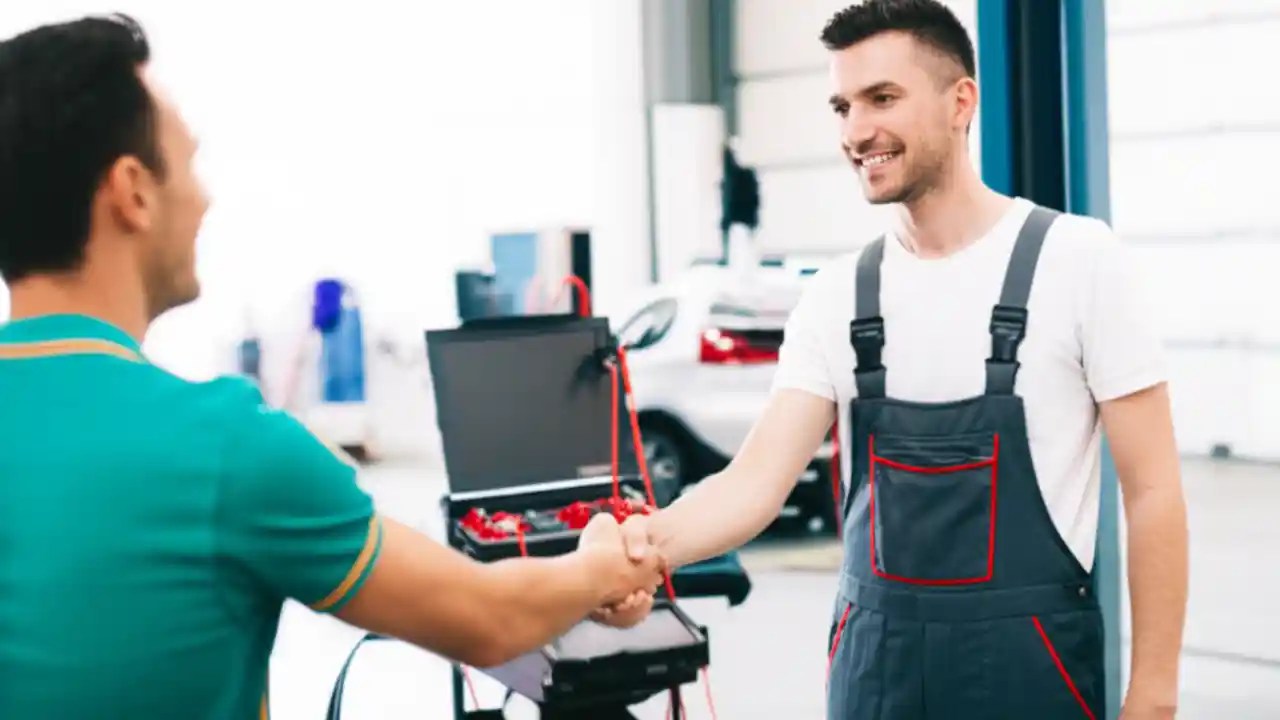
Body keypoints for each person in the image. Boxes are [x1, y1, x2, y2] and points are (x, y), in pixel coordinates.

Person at [0, 14, 663, 720]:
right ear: (132, 190)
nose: (205, 197)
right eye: (189, 164)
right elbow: (486, 619)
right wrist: (600, 566)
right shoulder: (224, 447)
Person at [597, 1, 1189, 718]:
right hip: (877, 677)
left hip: (1031, 677)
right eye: (842, 106)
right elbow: (753, 484)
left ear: (960, 102)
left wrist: (1153, 697)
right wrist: (641, 548)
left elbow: (1152, 492)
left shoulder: (1079, 261)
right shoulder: (839, 296)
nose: (856, 131)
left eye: (882, 99)